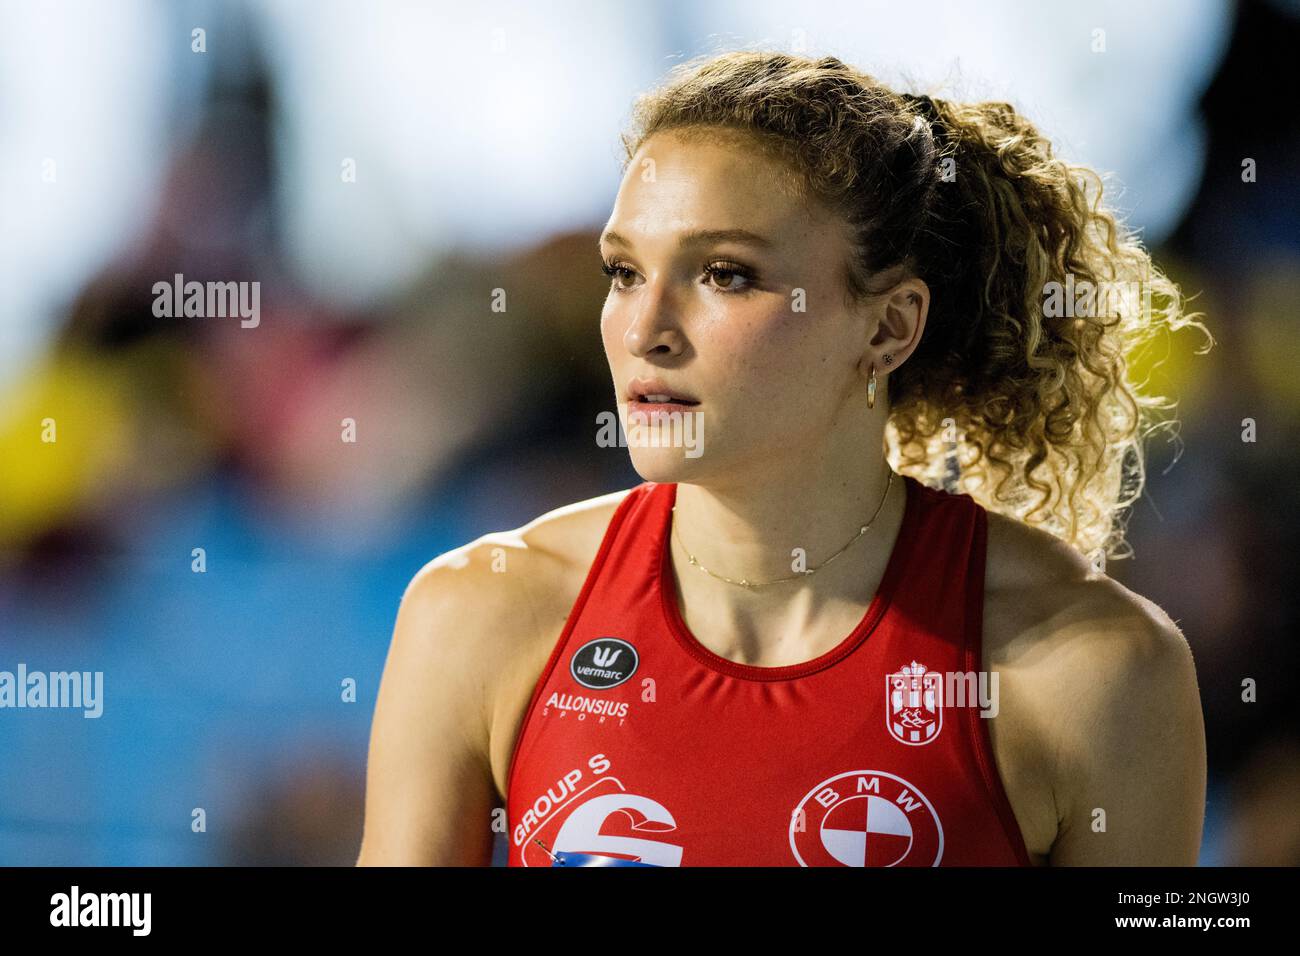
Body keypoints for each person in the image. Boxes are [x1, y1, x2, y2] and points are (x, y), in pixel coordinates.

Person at [356, 51, 1210, 867]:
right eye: (623, 272)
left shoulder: (1100, 669)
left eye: (725, 274)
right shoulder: (478, 613)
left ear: (888, 327)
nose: (645, 328)